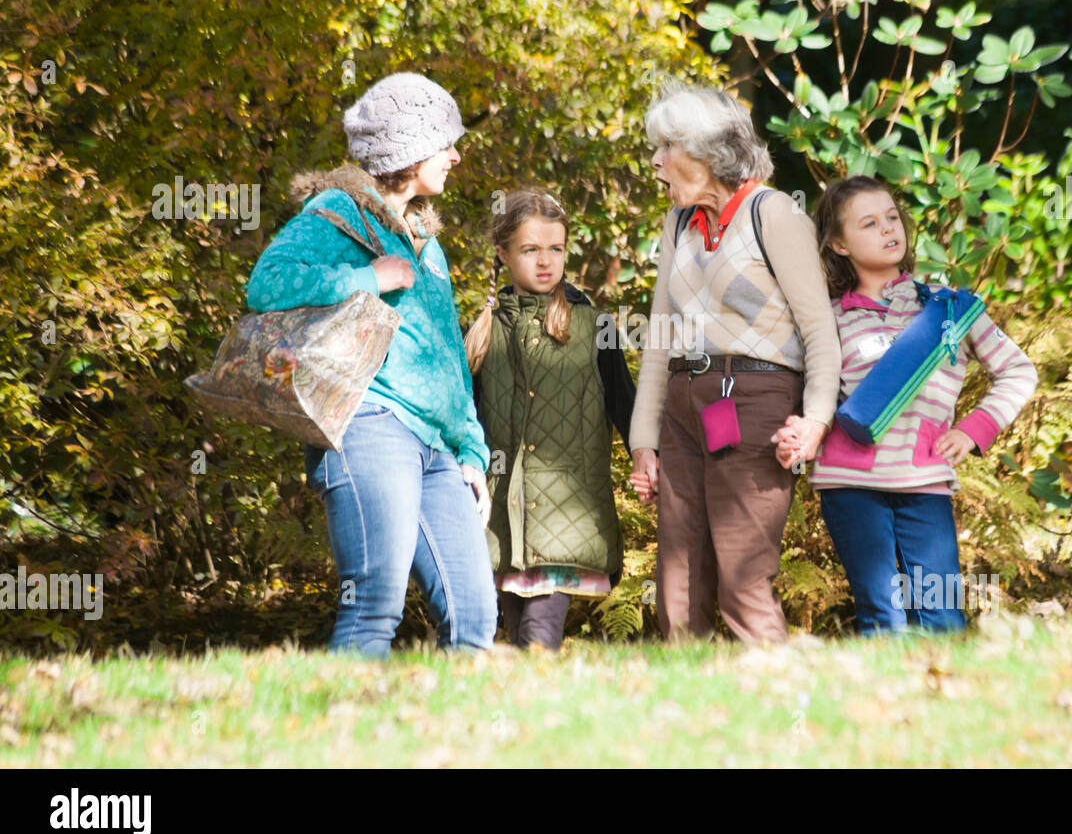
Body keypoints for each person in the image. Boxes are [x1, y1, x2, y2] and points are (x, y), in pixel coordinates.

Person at [245, 72, 497, 657]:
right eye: (446, 142)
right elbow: (268, 284)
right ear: (407, 150)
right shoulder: (338, 214)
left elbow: (449, 358)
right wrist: (368, 279)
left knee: (475, 617)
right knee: (374, 606)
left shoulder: (424, 241)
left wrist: (473, 450)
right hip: (371, 426)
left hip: (439, 448)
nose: (457, 155)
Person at [774, 175, 1038, 634]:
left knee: (941, 617)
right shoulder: (827, 318)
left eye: (892, 218)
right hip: (849, 484)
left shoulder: (950, 309)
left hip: (924, 481)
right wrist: (796, 434)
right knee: (882, 617)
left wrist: (974, 429)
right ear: (838, 244)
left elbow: (1019, 371)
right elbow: (806, 390)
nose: (889, 229)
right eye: (870, 224)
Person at [626, 80, 841, 643]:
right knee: (676, 583)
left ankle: (777, 704)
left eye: (665, 149)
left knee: (742, 576)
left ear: (704, 150)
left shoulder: (774, 214)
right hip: (683, 403)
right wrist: (642, 440)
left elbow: (820, 331)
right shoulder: (677, 223)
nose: (655, 161)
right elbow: (660, 336)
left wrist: (815, 421)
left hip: (754, 400)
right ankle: (688, 715)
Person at [463, 189, 636, 650]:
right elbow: (461, 421)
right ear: (503, 253)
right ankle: (522, 718)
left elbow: (626, 406)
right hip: (500, 516)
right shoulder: (483, 330)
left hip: (568, 516)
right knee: (516, 631)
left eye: (556, 249)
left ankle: (532, 715)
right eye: (531, 249)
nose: (546, 261)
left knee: (539, 636)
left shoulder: (593, 327)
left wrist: (648, 460)